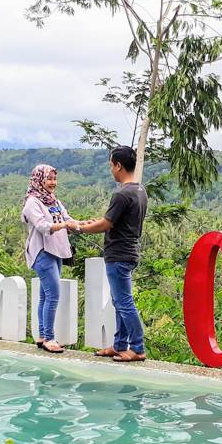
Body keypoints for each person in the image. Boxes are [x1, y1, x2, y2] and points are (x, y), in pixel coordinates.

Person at [75, 146, 149, 362]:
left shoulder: (121, 193)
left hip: (118, 254)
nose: (111, 170)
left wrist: (80, 227)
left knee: (124, 302)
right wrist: (93, 223)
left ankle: (137, 348)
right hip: (130, 251)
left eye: (111, 165)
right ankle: (119, 344)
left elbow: (106, 224)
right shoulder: (140, 190)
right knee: (119, 301)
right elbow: (117, 222)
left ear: (118, 165)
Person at [22, 164, 75, 354]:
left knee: (45, 296)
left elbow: (67, 218)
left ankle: (43, 336)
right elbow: (43, 226)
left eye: (54, 179)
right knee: (53, 295)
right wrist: (64, 225)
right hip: (42, 252)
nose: (53, 183)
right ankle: (49, 338)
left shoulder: (54, 201)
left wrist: (82, 224)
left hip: (56, 251)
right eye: (49, 179)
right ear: (39, 180)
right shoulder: (32, 203)